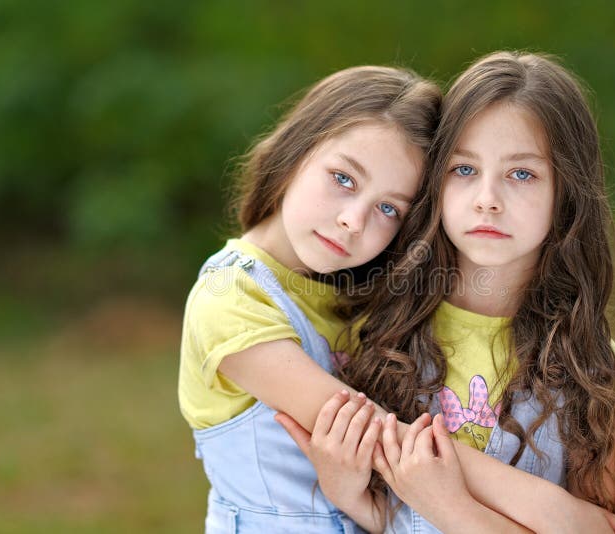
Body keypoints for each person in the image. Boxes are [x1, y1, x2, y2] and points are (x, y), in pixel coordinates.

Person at [277, 51, 615, 533]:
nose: (487, 198)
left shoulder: (592, 367)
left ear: (566, 194)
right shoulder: (373, 329)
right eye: (464, 170)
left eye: (522, 174)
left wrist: (451, 506)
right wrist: (346, 491)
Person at [177, 65, 441, 533]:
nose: (354, 221)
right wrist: (545, 508)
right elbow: (383, 442)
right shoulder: (231, 298)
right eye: (343, 178)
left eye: (388, 209)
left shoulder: (360, 296)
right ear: (295, 152)